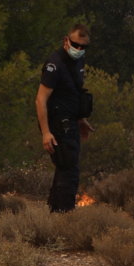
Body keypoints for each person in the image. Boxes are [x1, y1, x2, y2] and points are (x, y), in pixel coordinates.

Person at [36, 23, 94, 213]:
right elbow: (40, 100)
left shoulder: (78, 61)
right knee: (69, 168)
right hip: (57, 123)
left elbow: (72, 93)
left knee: (66, 166)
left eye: (83, 47)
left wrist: (81, 119)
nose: (79, 49)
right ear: (66, 40)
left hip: (71, 121)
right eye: (75, 44)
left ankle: (55, 211)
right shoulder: (55, 64)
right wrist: (46, 132)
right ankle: (64, 213)